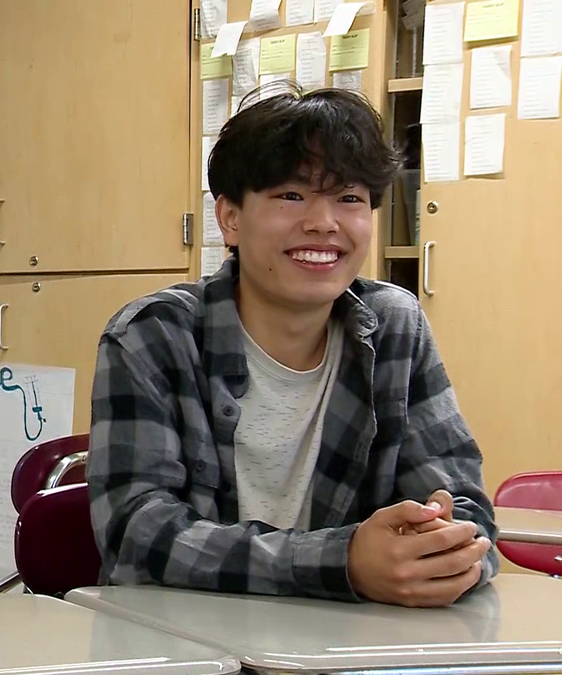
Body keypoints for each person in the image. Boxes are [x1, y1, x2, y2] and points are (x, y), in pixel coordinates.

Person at [87, 86, 498, 608]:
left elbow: (464, 504)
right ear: (230, 218)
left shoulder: (394, 326)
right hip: (184, 636)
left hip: (350, 639)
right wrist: (343, 563)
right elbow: (137, 534)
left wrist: (444, 549)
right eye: (291, 196)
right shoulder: (153, 334)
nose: (323, 222)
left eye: (349, 198)